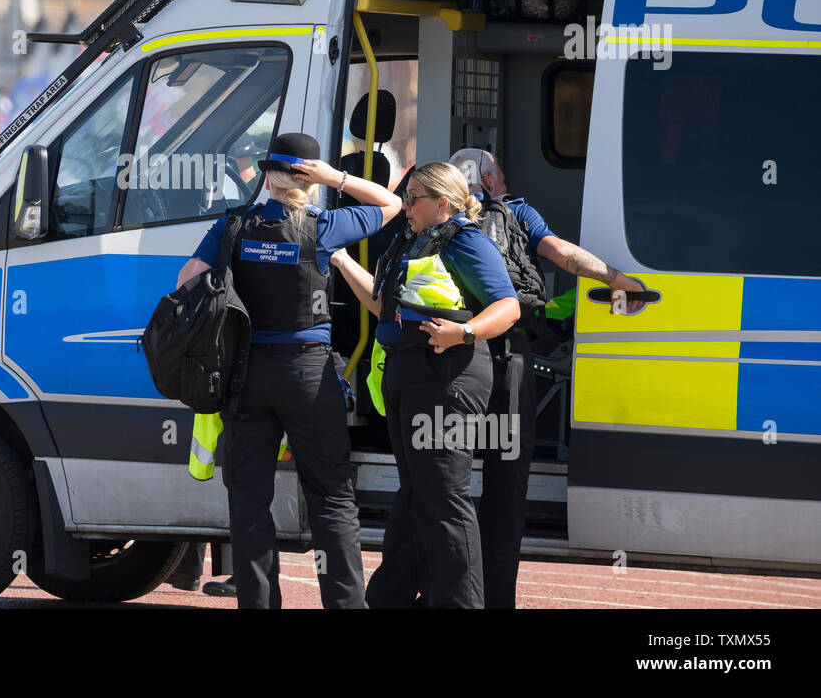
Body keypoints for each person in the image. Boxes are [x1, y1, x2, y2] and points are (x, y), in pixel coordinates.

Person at [175, 132, 400, 609]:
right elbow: (390, 204)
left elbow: (188, 280)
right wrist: (335, 177)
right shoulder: (324, 226)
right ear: (309, 177)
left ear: (268, 175)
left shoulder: (234, 227)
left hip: (248, 374)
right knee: (332, 500)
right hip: (309, 377)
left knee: (250, 502)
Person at [448, 147, 646, 609]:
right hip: (511, 362)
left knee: (442, 484)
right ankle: (498, 599)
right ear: (495, 179)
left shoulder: (440, 215)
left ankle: (443, 593)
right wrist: (616, 278)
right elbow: (561, 253)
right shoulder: (519, 211)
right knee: (507, 484)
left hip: (454, 357)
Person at [330, 161, 520, 608]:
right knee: (417, 494)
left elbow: (507, 306)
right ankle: (389, 598)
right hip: (408, 376)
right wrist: (339, 258)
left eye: (413, 198)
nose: (405, 205)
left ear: (443, 203)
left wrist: (465, 332)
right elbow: (383, 305)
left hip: (445, 377)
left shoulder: (465, 239)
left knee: (444, 499)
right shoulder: (410, 241)